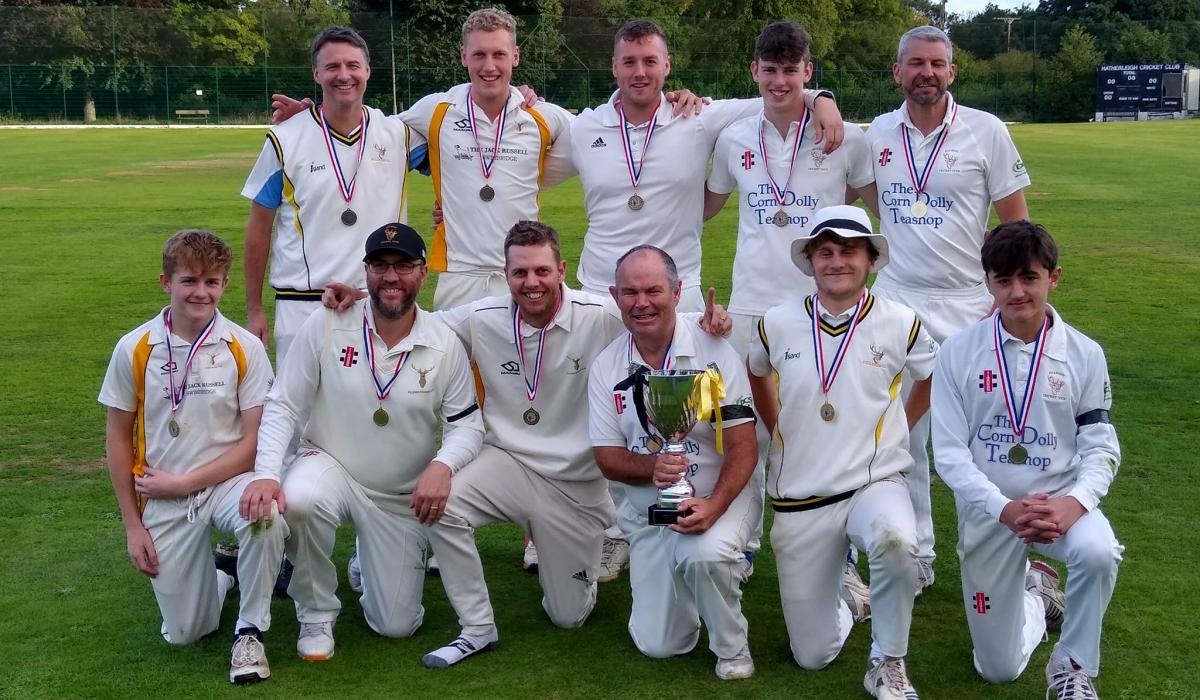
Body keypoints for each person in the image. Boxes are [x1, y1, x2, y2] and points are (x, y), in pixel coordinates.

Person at [321, 221, 733, 665]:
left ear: (561, 269)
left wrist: (711, 320)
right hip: (506, 464)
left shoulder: (600, 314)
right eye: (520, 273)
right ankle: (476, 626)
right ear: (506, 274)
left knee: (567, 616)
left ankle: (575, 572)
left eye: (541, 271)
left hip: (575, 485)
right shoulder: (482, 317)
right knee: (442, 502)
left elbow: (654, 314)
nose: (531, 283)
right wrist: (365, 297)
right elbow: (417, 322)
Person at [239, 223, 488, 664]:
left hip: (397, 496)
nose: (391, 277)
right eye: (380, 266)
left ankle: (365, 560)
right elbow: (282, 404)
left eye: (403, 266)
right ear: (366, 272)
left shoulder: (443, 341)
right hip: (329, 462)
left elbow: (467, 425)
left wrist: (443, 464)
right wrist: (266, 474)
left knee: (396, 626)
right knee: (299, 500)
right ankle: (316, 613)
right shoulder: (329, 321)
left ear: (423, 272)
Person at [859, 25, 1033, 590]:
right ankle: (920, 553)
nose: (926, 73)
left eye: (936, 63)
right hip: (898, 301)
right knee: (903, 436)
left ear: (951, 72)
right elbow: (862, 202)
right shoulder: (877, 134)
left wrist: (1001, 301)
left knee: (979, 439)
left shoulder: (987, 131)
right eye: (915, 63)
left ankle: (994, 550)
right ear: (898, 72)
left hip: (970, 306)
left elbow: (1016, 228)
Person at [748, 205, 937, 699]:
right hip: (800, 495)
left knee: (897, 539)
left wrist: (901, 425)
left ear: (871, 259)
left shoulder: (901, 321)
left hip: (873, 482)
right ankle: (852, 601)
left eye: (849, 251)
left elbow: (932, 375)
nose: (837, 262)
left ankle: (888, 662)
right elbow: (756, 369)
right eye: (825, 252)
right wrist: (778, 426)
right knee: (812, 656)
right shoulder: (777, 321)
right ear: (810, 261)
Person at [930, 220, 1122, 700]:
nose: (1016, 292)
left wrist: (1073, 505)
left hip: (1059, 505)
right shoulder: (957, 352)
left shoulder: (1085, 353)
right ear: (988, 283)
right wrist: (1004, 508)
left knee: (1099, 551)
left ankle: (1071, 669)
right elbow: (949, 455)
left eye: (1029, 277)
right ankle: (1037, 596)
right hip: (989, 513)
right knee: (995, 670)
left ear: (1053, 278)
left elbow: (1101, 446)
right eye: (1003, 280)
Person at [98, 229, 284, 685]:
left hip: (225, 483)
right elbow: (118, 438)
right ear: (166, 281)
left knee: (267, 514)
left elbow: (256, 442)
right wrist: (132, 526)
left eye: (213, 282)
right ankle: (224, 575)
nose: (201, 292)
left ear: (224, 285)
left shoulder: (245, 346)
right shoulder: (135, 348)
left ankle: (250, 630)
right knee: (185, 632)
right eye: (189, 280)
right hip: (161, 492)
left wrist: (187, 482)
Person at [564, 19, 846, 311]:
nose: (640, 72)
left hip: (678, 290)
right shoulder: (583, 127)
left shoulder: (697, 117)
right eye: (629, 62)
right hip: (601, 290)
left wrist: (821, 98)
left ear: (667, 66)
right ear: (614, 66)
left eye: (650, 61)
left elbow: (776, 96)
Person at [588, 246, 760, 680]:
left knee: (703, 554)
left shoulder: (714, 348)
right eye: (629, 292)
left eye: (653, 290)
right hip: (650, 508)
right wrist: (653, 469)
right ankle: (697, 577)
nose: (641, 303)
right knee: (661, 644)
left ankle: (732, 647)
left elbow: (743, 446)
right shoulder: (607, 365)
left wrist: (714, 507)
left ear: (679, 291)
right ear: (614, 295)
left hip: (719, 494)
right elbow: (607, 458)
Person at [241, 26, 426, 368]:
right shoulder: (284, 139)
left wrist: (514, 94)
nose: (344, 75)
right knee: (300, 419)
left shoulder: (398, 135)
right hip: (301, 308)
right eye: (332, 67)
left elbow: (467, 157)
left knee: (376, 414)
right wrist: (255, 310)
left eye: (353, 65)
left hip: (378, 301)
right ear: (316, 73)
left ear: (368, 71)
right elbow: (258, 228)